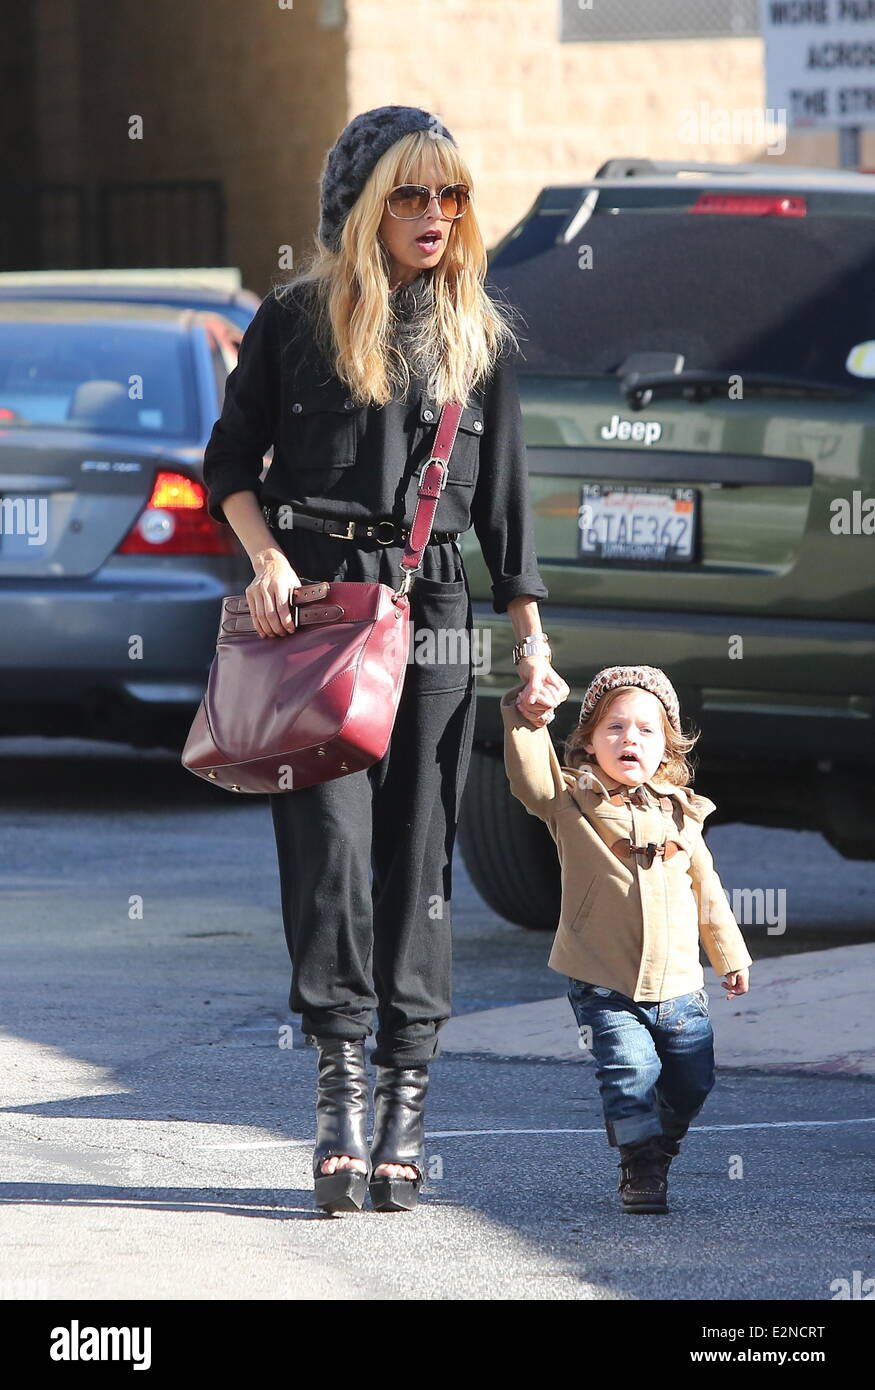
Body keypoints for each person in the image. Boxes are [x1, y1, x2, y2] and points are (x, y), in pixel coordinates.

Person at [201, 105, 569, 1214]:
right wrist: (263, 559)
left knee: (419, 855)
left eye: (451, 197)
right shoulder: (296, 320)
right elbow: (227, 462)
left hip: (436, 612)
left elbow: (505, 513)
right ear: (361, 206)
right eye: (410, 196)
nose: (434, 217)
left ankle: (407, 1099)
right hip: (314, 605)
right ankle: (338, 1092)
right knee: (325, 850)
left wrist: (536, 647)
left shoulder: (476, 338)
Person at [501, 664, 752, 1214]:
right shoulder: (570, 803)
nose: (629, 739)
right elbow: (530, 779)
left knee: (692, 1081)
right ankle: (639, 1163)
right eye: (614, 728)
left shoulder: (682, 815)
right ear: (588, 743)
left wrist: (729, 955)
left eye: (645, 730)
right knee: (630, 1072)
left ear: (668, 748)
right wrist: (526, 717)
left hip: (682, 987)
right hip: (604, 980)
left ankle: (661, 1144)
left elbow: (706, 888)